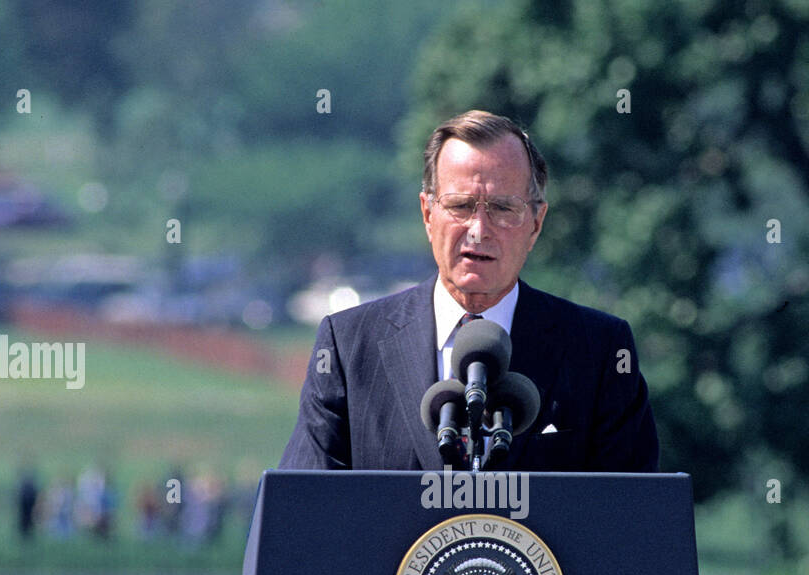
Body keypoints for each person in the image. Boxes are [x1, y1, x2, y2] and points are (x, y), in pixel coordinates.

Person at [279, 110, 659, 472]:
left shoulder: (600, 352)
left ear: (536, 223)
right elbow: (304, 513)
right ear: (428, 214)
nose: (478, 230)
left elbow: (631, 518)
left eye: (502, 208)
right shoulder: (348, 347)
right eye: (460, 206)